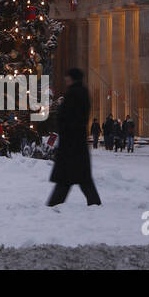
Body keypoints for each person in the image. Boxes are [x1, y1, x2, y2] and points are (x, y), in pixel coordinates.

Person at [47, 68, 102, 207]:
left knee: (68, 179)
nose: (65, 79)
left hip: (71, 144)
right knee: (80, 178)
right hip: (76, 143)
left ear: (72, 78)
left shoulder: (73, 94)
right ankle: (94, 203)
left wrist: (60, 119)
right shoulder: (81, 92)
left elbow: (67, 118)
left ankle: (53, 205)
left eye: (67, 77)